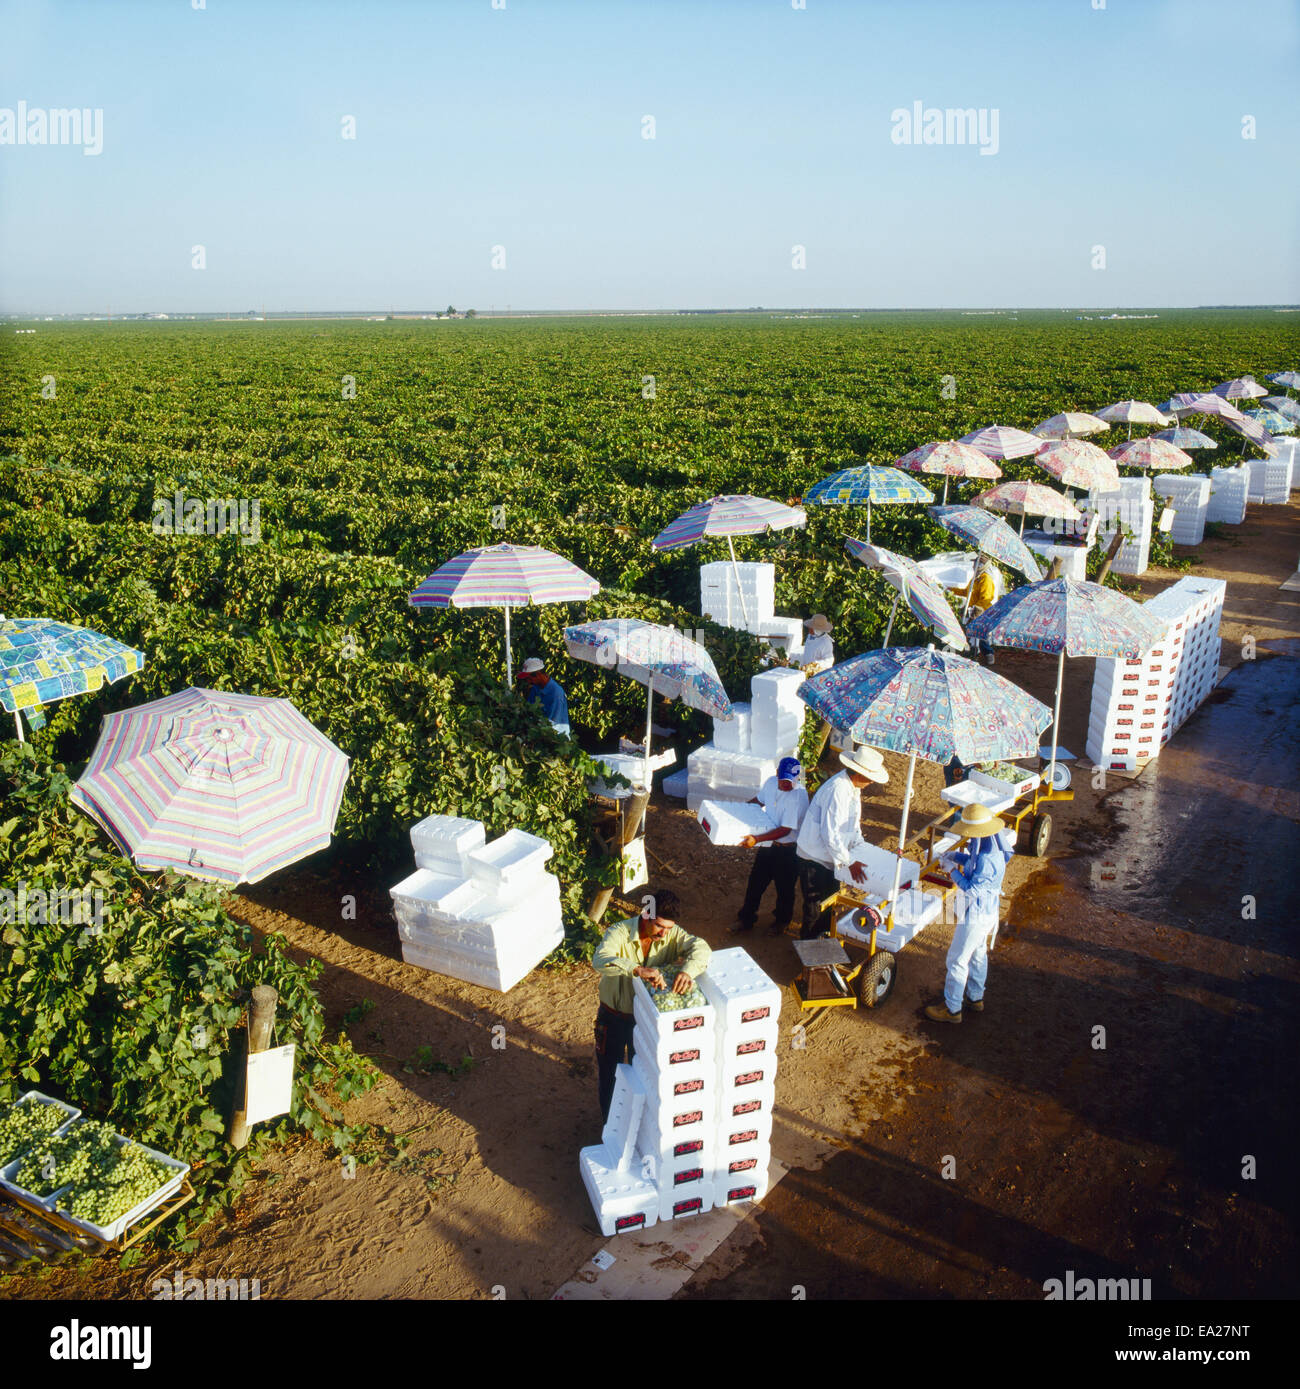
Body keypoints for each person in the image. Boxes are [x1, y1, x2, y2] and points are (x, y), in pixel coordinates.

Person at [590, 888, 712, 1121]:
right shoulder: (620, 931)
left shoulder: (672, 933)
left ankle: (640, 1127)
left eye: (668, 928)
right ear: (646, 915)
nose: (664, 934)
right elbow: (600, 960)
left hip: (644, 1021)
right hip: (614, 1016)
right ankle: (610, 1126)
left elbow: (701, 948)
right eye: (659, 926)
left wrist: (688, 971)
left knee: (644, 1073)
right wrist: (636, 969)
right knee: (610, 1074)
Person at [924, 803, 1015, 1024]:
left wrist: (951, 870)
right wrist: (956, 856)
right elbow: (972, 862)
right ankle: (976, 997)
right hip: (988, 910)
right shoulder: (989, 840)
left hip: (978, 914)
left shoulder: (987, 857)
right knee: (978, 954)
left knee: (957, 960)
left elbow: (972, 888)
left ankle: (952, 1008)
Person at [794, 747, 889, 940]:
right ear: (859, 773)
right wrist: (849, 861)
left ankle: (822, 935)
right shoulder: (837, 790)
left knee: (831, 899)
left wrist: (859, 847)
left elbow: (852, 825)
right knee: (816, 905)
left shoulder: (853, 788)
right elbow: (830, 833)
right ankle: (809, 950)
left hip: (830, 855)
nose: (871, 782)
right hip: (815, 856)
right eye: (869, 778)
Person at [730, 756, 810, 937]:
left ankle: (781, 921)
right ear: (776, 774)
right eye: (783, 780)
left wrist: (756, 839)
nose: (786, 785)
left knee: (785, 888)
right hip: (768, 843)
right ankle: (746, 918)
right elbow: (759, 801)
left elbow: (785, 830)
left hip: (788, 848)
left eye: (790, 781)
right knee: (756, 882)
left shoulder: (798, 795)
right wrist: (738, 811)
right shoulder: (771, 783)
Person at [955, 557, 1000, 665]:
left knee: (980, 635)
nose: (973, 566)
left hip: (982, 611)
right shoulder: (976, 578)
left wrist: (977, 610)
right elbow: (967, 592)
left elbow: (986, 598)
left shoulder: (986, 579)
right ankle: (966, 652)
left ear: (981, 566)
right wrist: (950, 589)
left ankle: (988, 654)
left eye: (976, 564)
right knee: (968, 631)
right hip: (972, 609)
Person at [516, 656, 570, 736]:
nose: (527, 682)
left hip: (555, 737)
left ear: (538, 674)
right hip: (539, 730)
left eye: (529, 678)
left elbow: (552, 725)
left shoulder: (556, 694)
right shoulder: (535, 687)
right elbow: (530, 709)